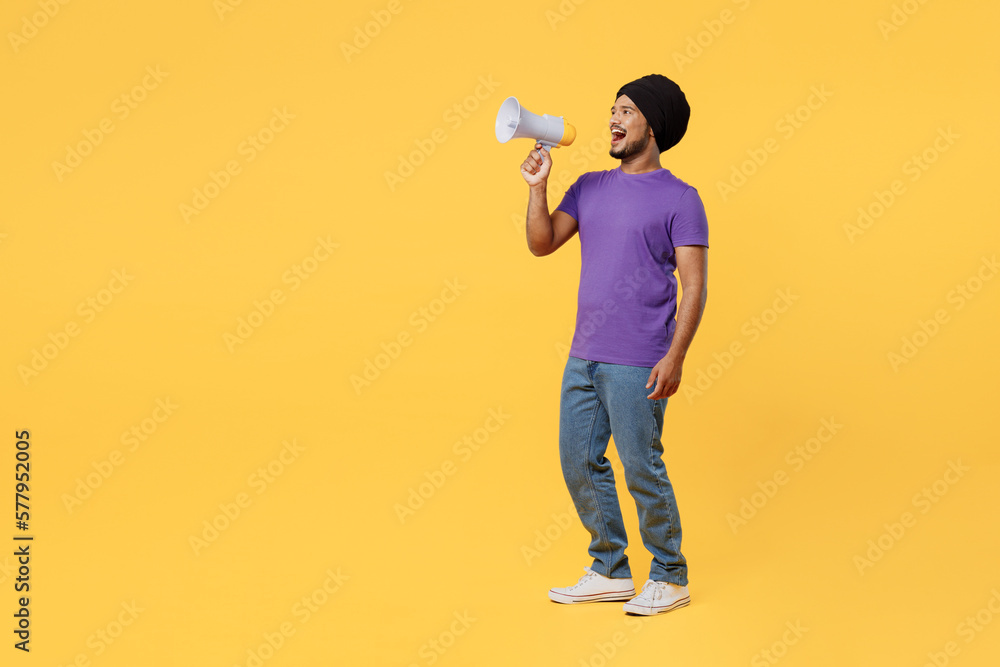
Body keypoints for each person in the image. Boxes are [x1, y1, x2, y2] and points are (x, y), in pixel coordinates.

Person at [520, 74, 708, 616]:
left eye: (626, 110)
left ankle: (670, 576)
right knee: (577, 459)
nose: (614, 118)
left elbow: (694, 285)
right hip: (585, 353)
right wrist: (538, 187)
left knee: (640, 465)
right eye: (613, 109)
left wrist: (675, 355)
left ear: (653, 125)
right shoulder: (589, 187)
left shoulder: (681, 198)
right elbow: (541, 243)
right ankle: (609, 569)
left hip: (640, 358)